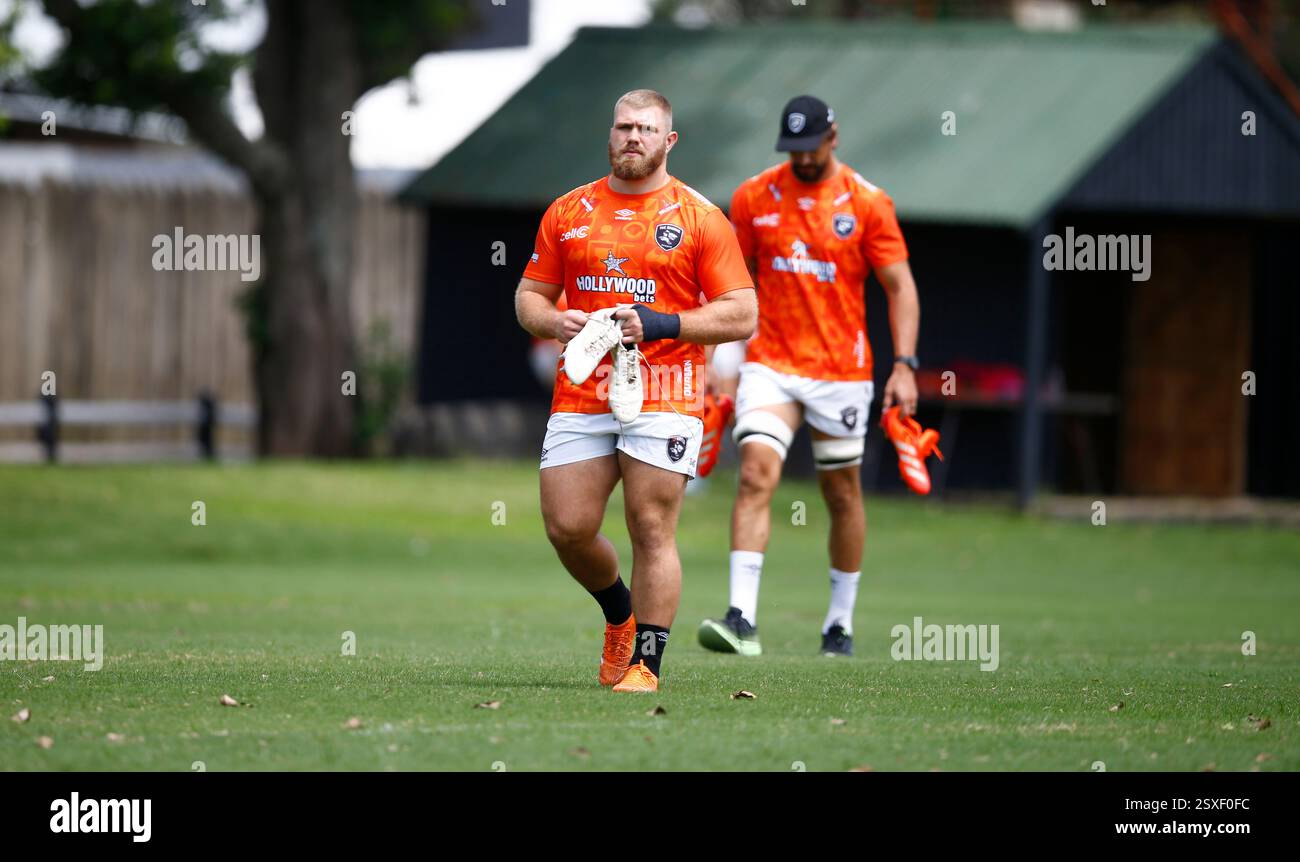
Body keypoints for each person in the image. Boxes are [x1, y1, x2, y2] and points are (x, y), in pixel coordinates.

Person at [514, 89, 756, 692]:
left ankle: (646, 663)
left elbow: (742, 313)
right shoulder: (568, 211)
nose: (632, 137)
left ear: (668, 141)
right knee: (567, 527)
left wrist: (664, 324)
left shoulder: (700, 217)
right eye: (623, 126)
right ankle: (619, 614)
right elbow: (528, 299)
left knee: (650, 526)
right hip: (583, 392)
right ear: (610, 133)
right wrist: (555, 322)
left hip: (666, 389)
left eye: (646, 129)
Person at [698, 95, 922, 658]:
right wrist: (714, 361)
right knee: (754, 474)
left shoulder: (868, 202)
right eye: (792, 149)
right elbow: (730, 283)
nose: (801, 159)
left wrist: (905, 365)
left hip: (841, 370)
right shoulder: (753, 197)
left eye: (811, 148)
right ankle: (741, 619)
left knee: (841, 493)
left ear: (833, 137)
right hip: (770, 361)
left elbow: (900, 287)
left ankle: (839, 624)